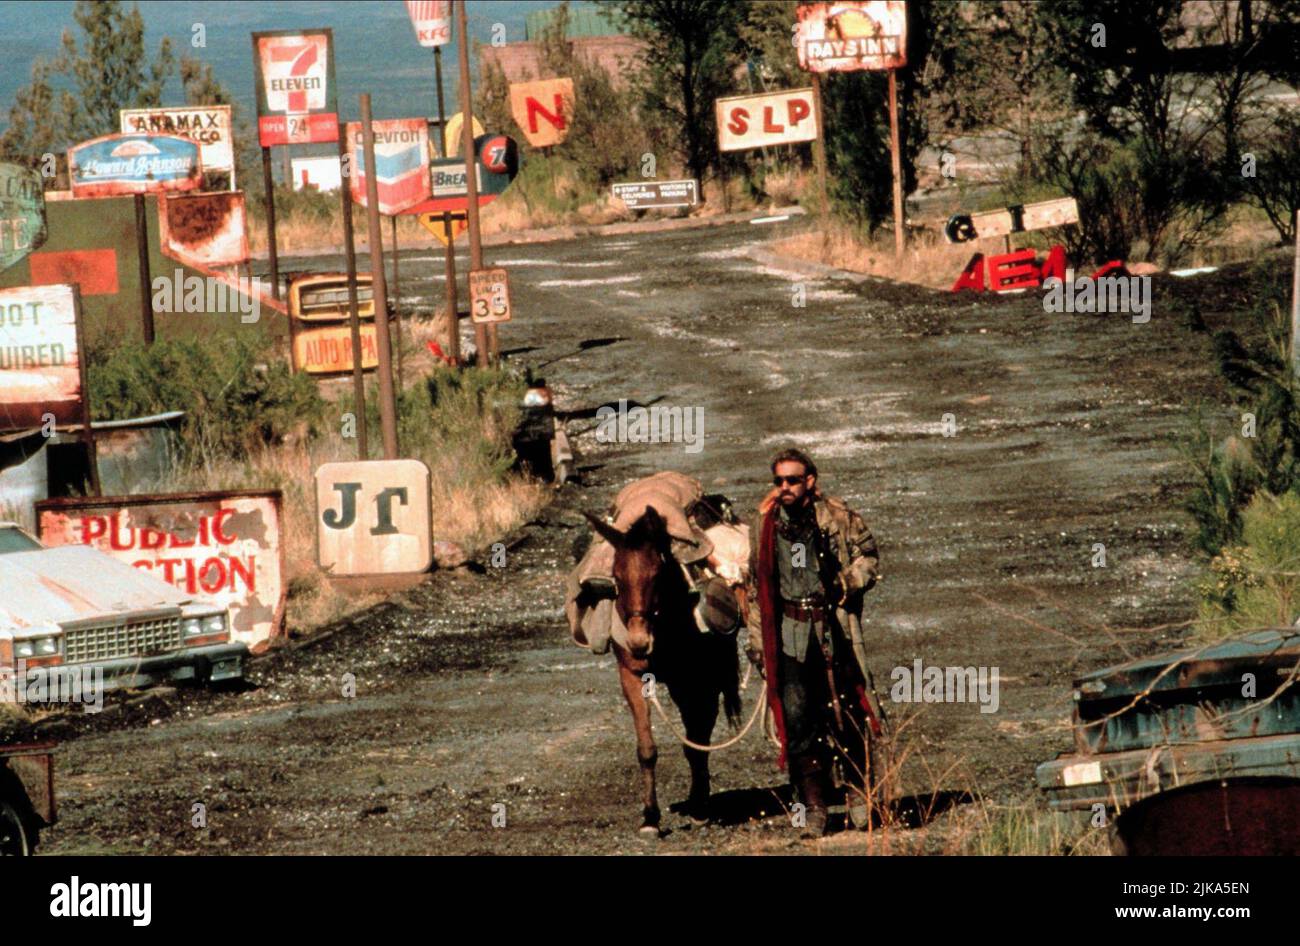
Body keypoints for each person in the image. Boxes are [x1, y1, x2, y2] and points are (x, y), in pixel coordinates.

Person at [745, 447, 881, 838]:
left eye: (792, 480)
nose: (784, 487)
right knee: (799, 719)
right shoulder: (765, 523)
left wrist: (847, 582)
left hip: (832, 628)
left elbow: (868, 557)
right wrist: (757, 643)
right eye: (778, 481)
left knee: (849, 711)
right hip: (788, 633)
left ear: (810, 481)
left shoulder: (837, 516)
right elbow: (757, 585)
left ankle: (860, 797)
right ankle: (814, 810)